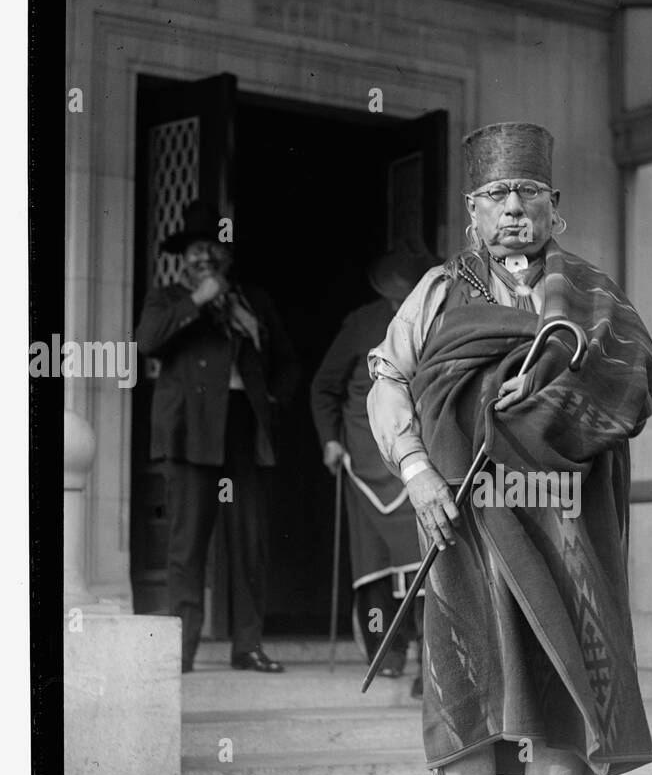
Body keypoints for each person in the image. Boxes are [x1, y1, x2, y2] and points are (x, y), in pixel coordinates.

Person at [366, 121, 652, 775]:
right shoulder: (436, 293)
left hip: (563, 527)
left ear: (553, 208)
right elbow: (387, 382)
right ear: (471, 211)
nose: (512, 210)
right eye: (496, 196)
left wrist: (548, 401)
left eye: (527, 194)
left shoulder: (592, 294)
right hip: (461, 524)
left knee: (563, 687)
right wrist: (418, 472)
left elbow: (633, 387)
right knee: (466, 687)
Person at [136, 199, 299, 674]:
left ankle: (247, 646)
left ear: (226, 256)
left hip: (244, 431)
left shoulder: (254, 301)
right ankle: (182, 650)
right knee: (186, 544)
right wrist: (199, 300)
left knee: (249, 543)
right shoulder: (166, 299)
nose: (204, 255)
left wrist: (273, 402)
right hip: (190, 435)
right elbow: (147, 342)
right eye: (194, 250)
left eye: (213, 248)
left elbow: (288, 360)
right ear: (182, 259)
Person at [310, 249, 433, 691]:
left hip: (419, 455)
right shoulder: (361, 324)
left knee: (425, 560)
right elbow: (325, 386)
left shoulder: (437, 317)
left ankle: (428, 659)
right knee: (376, 564)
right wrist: (330, 440)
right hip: (364, 455)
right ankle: (387, 649)